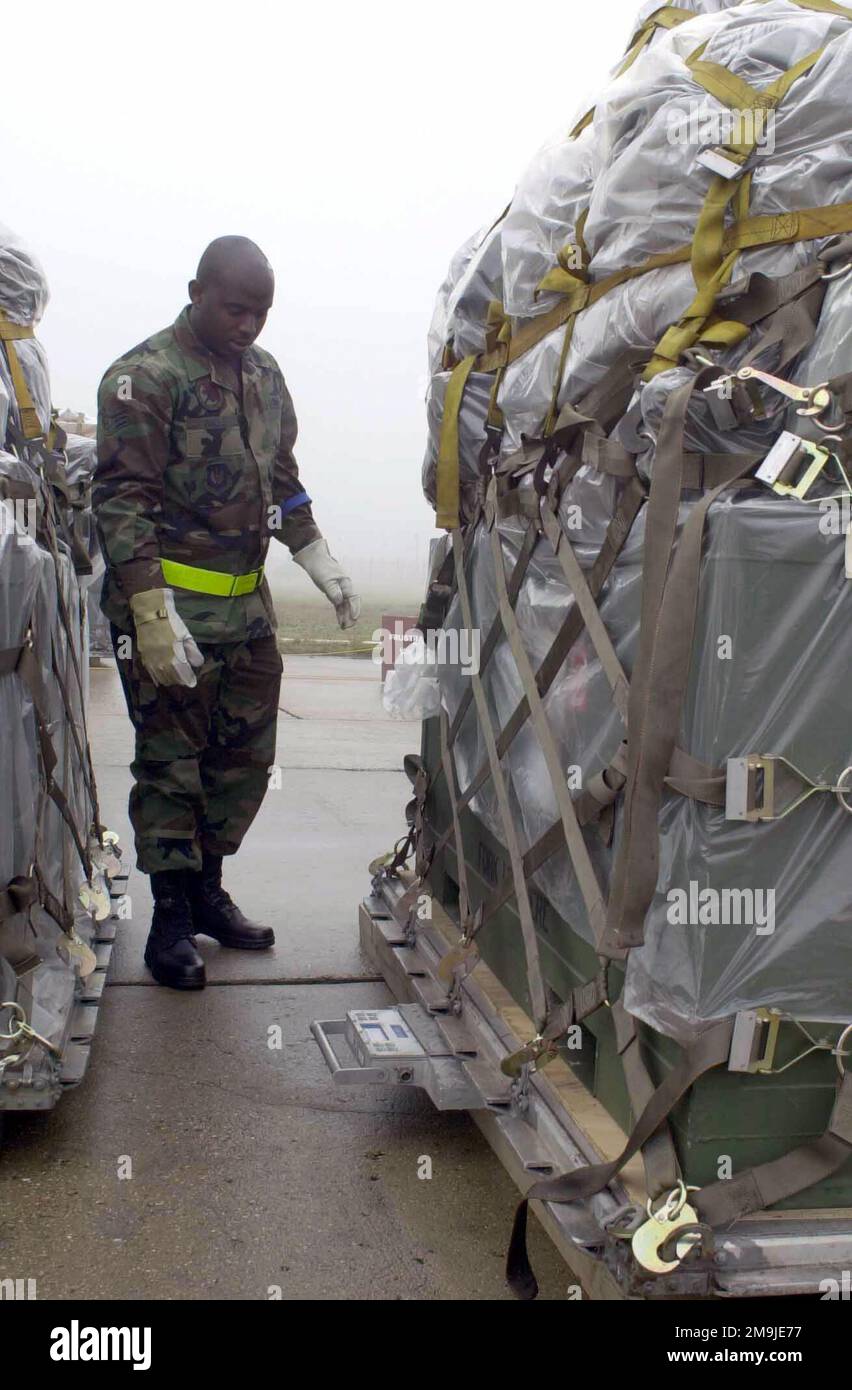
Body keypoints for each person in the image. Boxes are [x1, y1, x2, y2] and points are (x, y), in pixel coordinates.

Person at [94, 236, 359, 990]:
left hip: (246, 613)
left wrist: (316, 553)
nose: (248, 326)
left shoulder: (265, 377)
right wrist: (148, 608)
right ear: (197, 292)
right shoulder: (144, 378)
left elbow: (281, 477)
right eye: (236, 309)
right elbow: (120, 500)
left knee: (240, 762)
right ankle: (171, 918)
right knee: (172, 767)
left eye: (261, 312)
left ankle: (208, 891)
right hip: (172, 615)